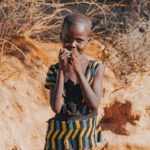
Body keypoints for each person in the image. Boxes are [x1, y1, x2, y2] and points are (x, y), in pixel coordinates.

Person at [44, 13, 105, 150]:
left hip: (85, 136)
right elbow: (56, 107)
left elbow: (94, 104)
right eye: (67, 39)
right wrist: (61, 70)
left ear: (88, 40)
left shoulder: (96, 68)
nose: (72, 45)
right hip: (59, 137)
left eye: (79, 40)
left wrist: (78, 71)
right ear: (61, 37)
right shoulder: (54, 70)